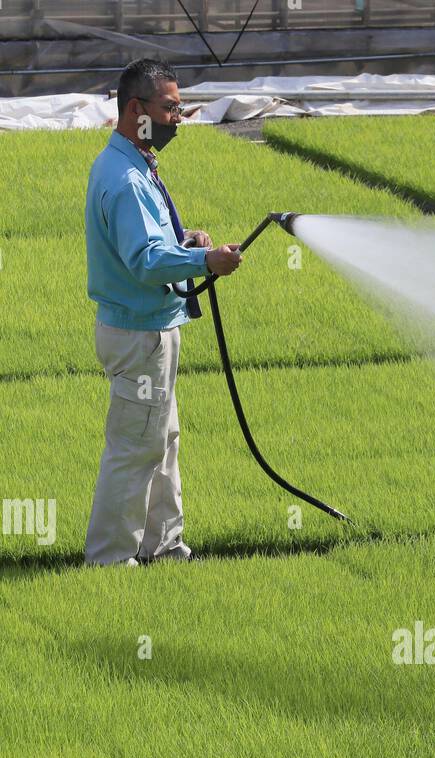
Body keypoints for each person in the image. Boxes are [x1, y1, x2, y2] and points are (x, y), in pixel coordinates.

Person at [84, 58, 242, 566]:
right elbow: (145, 259)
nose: (180, 117)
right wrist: (203, 258)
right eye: (171, 108)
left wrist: (184, 239)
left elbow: (152, 243)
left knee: (163, 440)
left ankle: (165, 545)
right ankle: (110, 560)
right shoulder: (127, 178)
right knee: (136, 448)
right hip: (139, 335)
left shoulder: (129, 161)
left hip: (150, 328)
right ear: (138, 109)